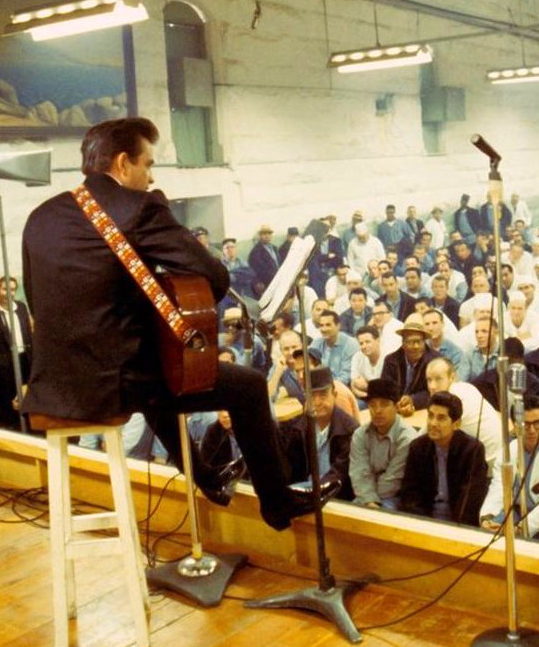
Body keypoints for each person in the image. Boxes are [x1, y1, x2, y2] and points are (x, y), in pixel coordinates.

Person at [20, 117, 317, 531]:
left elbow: (37, 299)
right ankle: (277, 502)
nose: (151, 176)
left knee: (157, 374)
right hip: (116, 385)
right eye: (148, 165)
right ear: (123, 165)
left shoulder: (41, 217)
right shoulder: (139, 207)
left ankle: (207, 477)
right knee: (247, 386)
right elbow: (214, 277)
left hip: (55, 385)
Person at [479, 394, 539, 542]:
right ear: (514, 425)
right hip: (514, 513)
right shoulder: (508, 451)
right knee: (488, 535)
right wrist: (487, 517)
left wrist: (520, 529)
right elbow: (498, 489)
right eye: (525, 424)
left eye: (537, 423)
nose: (531, 430)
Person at [396, 391, 490, 526]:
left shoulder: (473, 450)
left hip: (459, 524)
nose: (433, 423)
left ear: (456, 424)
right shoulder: (418, 447)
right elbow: (410, 495)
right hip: (425, 521)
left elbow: (470, 502)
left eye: (441, 418)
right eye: (430, 416)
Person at [279, 366, 356, 502]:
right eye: (312, 395)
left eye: (323, 395)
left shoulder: (350, 429)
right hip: (304, 489)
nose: (317, 402)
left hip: (336, 494)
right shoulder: (300, 426)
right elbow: (289, 463)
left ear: (334, 394)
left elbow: (340, 474)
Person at [349, 378, 416, 509]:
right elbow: (359, 473)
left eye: (384, 404)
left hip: (394, 497)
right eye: (372, 405)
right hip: (364, 495)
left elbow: (393, 480)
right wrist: (368, 500)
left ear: (396, 407)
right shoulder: (360, 434)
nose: (377, 410)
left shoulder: (407, 438)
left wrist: (370, 500)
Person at [0, 275, 33, 423]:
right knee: (9, 398)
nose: (9, 293)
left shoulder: (21, 307)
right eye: (5, 289)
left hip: (24, 358)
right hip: (3, 364)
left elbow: (27, 332)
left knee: (26, 393)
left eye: (12, 290)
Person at [380, 314, 440, 416]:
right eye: (411, 342)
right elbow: (385, 390)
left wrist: (412, 401)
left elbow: (436, 391)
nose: (416, 346)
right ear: (403, 344)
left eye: (419, 342)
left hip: (424, 411)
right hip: (395, 411)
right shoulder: (391, 361)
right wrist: (399, 404)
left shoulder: (435, 361)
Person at [309, 310, 359, 387]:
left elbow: (345, 377)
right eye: (321, 325)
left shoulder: (350, 344)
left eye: (328, 325)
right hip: (319, 389)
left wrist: (326, 387)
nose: (324, 329)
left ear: (338, 326)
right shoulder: (316, 344)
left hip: (343, 389)